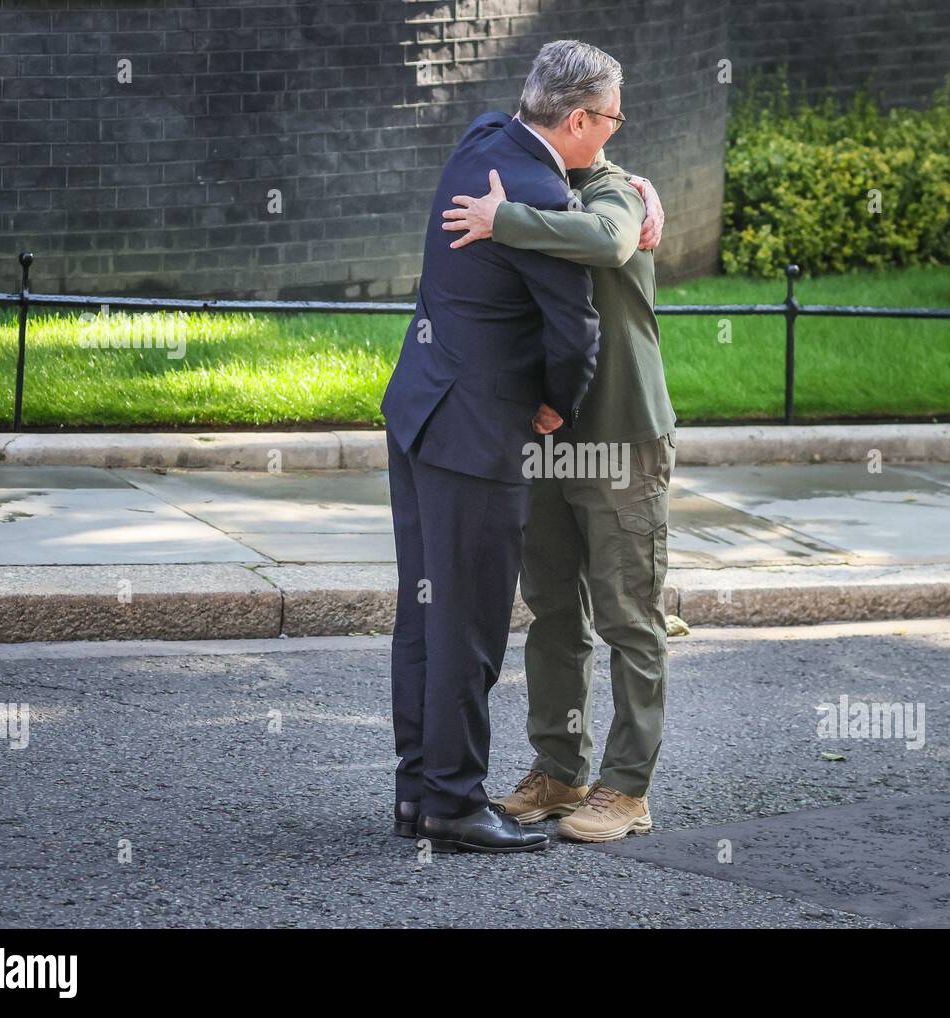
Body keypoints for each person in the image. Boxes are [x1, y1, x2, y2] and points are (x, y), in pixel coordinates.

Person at [379, 40, 629, 853]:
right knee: (470, 626)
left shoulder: (483, 139)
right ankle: (454, 803)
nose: (614, 138)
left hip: (419, 410)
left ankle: (418, 790)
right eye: (613, 121)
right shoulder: (538, 197)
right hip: (479, 433)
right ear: (581, 118)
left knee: (423, 614)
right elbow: (577, 329)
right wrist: (555, 406)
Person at [440, 98, 676, 843]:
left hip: (622, 440)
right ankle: (559, 772)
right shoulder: (526, 173)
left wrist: (503, 221)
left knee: (627, 618)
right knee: (551, 614)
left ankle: (628, 789)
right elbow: (500, 115)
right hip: (548, 432)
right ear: (575, 117)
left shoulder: (615, 193)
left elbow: (608, 244)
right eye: (611, 114)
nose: (621, 124)